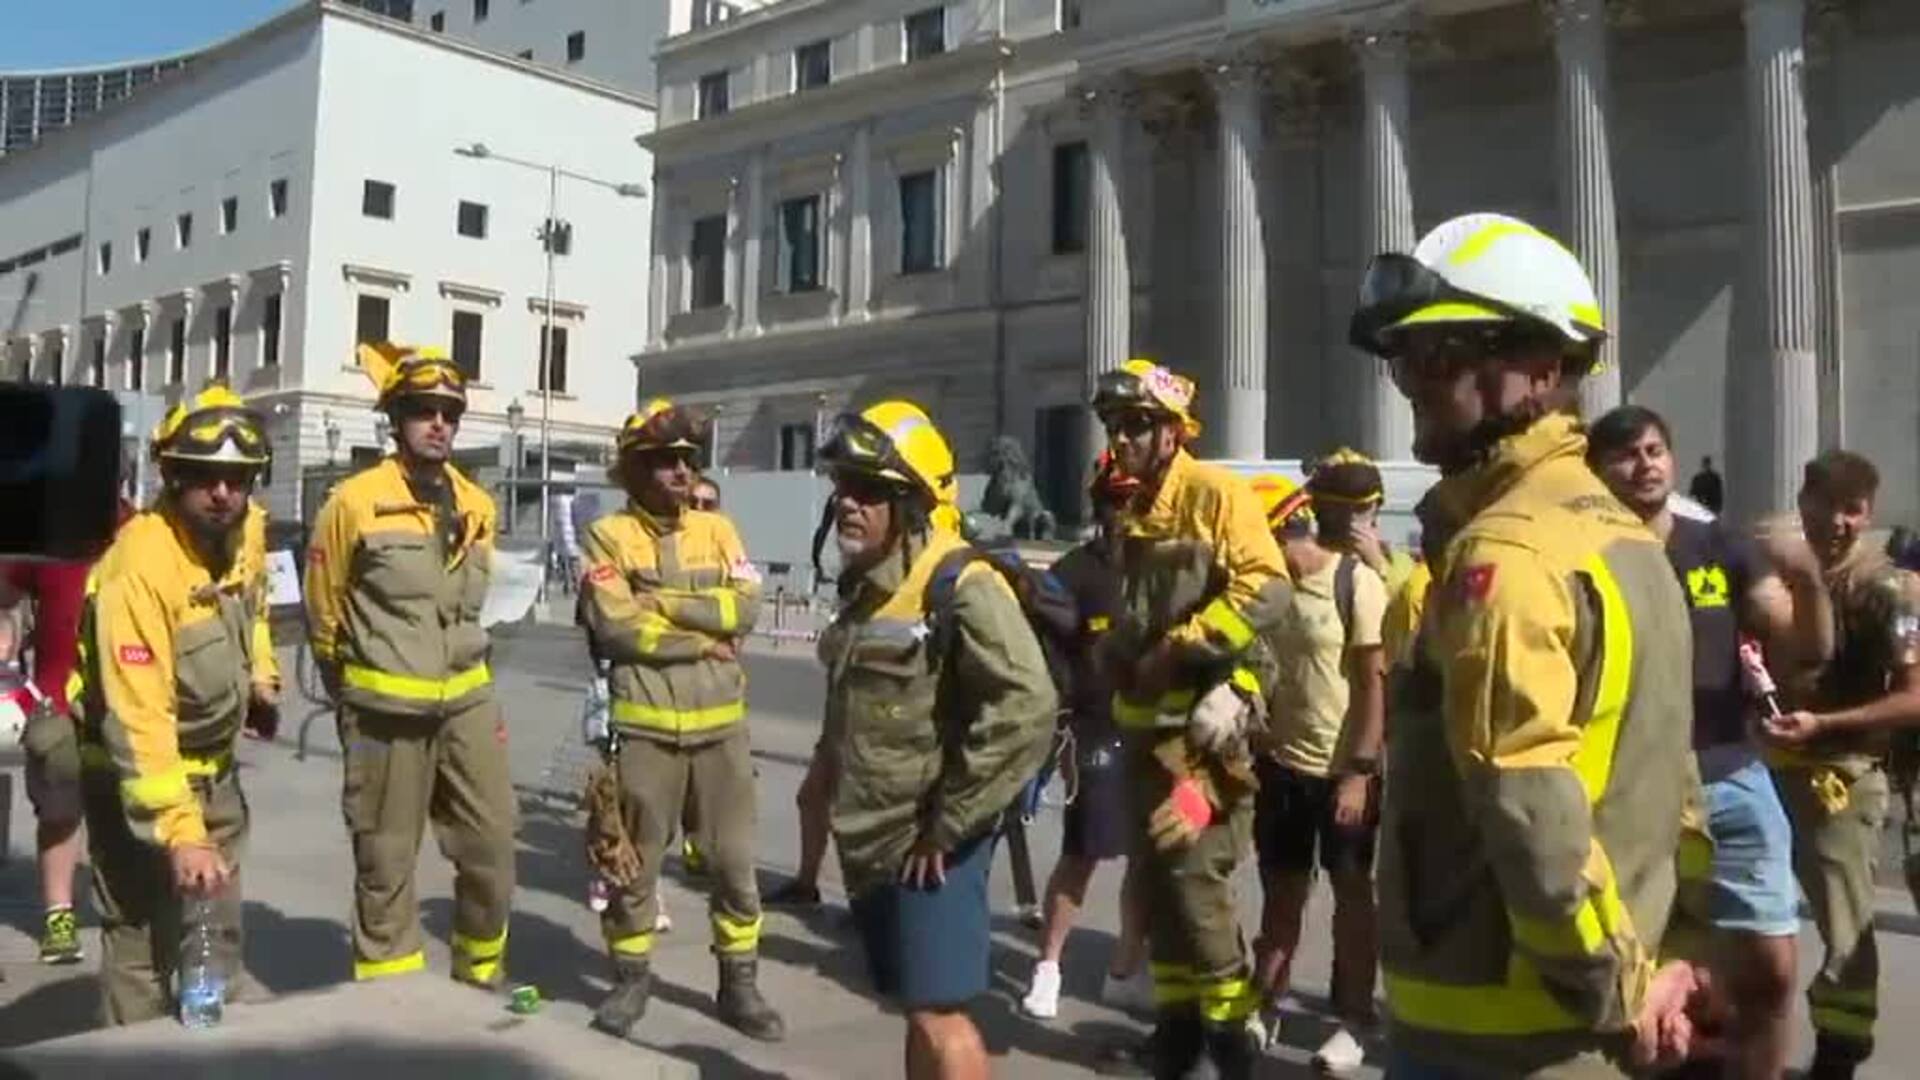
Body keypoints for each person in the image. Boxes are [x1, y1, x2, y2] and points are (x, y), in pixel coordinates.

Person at [1349, 212, 1711, 1077]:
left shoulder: (1503, 553)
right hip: (1599, 1008)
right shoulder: (1626, 537)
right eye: (1403, 359)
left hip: (1494, 1031)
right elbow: (1678, 789)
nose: (1410, 384)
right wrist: (1677, 955)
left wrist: (1618, 992)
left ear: (1542, 369)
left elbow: (1531, 814)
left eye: (1439, 358)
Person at [1588, 405, 1833, 1080]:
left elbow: (1802, 648)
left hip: (1729, 772)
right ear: (1596, 471)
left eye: (1655, 449)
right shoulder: (1586, 555)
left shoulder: (1717, 546)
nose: (1645, 464)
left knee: (1773, 971)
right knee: (1636, 976)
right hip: (1630, 785)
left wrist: (1807, 578)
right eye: (1626, 455)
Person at [817, 400, 1056, 1080]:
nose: (848, 506)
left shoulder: (960, 582)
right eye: (843, 488)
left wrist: (948, 826)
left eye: (869, 492)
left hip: (932, 846)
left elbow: (1028, 704)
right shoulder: (871, 587)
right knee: (917, 1009)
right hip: (876, 842)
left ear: (913, 504)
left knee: (941, 1016)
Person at [1092, 359, 1292, 1078]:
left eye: (1139, 424)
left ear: (1175, 430)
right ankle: (1177, 1035)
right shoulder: (1136, 506)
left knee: (1200, 893)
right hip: (1147, 738)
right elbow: (1139, 614)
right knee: (1158, 889)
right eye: (1116, 425)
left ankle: (1235, 1045)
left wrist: (1187, 648)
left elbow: (1268, 589)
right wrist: (1112, 654)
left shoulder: (1215, 495)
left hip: (1206, 746)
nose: (1125, 438)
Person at [305, 344, 514, 988]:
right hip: (385, 714)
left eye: (448, 413)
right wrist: (354, 693)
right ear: (395, 420)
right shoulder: (353, 502)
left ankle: (477, 980)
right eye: (422, 411)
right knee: (387, 860)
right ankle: (391, 999)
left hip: (468, 704)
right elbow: (324, 612)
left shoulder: (478, 504)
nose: (438, 424)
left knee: (493, 848)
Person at [577, 398, 784, 1042]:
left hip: (721, 731)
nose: (679, 473)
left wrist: (662, 601)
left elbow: (745, 611)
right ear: (635, 470)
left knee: (735, 863)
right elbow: (617, 627)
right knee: (634, 866)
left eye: (687, 461)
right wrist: (701, 634)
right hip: (645, 733)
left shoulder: (718, 530)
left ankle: (739, 983)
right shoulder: (608, 535)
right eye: (664, 461)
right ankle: (631, 979)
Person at [74, 385, 276, 1022]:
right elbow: (137, 721)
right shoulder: (140, 567)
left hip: (213, 776)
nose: (224, 494)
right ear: (173, 476)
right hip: (136, 781)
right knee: (139, 947)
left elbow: (258, 607)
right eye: (206, 479)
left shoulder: (243, 533)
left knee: (215, 940)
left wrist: (260, 680)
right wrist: (181, 833)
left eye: (238, 480)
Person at [1761, 450, 1920, 1079]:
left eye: (1852, 510)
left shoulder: (1887, 589)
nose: (1838, 521)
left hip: (1843, 780)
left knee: (1845, 929)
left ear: (1868, 514)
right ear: (1803, 502)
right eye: (1824, 504)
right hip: (1771, 770)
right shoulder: (1782, 573)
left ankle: (1840, 1054)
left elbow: (1915, 696)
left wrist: (1825, 725)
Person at [1248, 457, 1389, 1075]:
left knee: (1352, 895)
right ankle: (1266, 1000)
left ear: (1286, 531)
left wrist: (1359, 770)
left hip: (1344, 769)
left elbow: (1373, 683)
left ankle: (1354, 1017)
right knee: (1281, 888)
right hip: (1282, 765)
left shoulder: (1355, 583)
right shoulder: (1270, 592)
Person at [1020, 453, 1152, 1021]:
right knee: (1082, 852)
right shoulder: (1074, 571)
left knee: (1147, 860)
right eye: (1116, 500)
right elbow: (1048, 657)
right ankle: (1048, 967)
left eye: (1134, 499)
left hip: (1157, 730)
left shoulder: (1164, 566)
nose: (1125, 511)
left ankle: (1124, 971)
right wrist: (1058, 733)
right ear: (1099, 505)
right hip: (1095, 728)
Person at [0, 555, 93, 965]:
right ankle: (59, 915)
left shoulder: (140, 530)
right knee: (59, 809)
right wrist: (9, 627)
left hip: (129, 693)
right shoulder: (50, 534)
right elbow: (7, 587)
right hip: (54, 701)